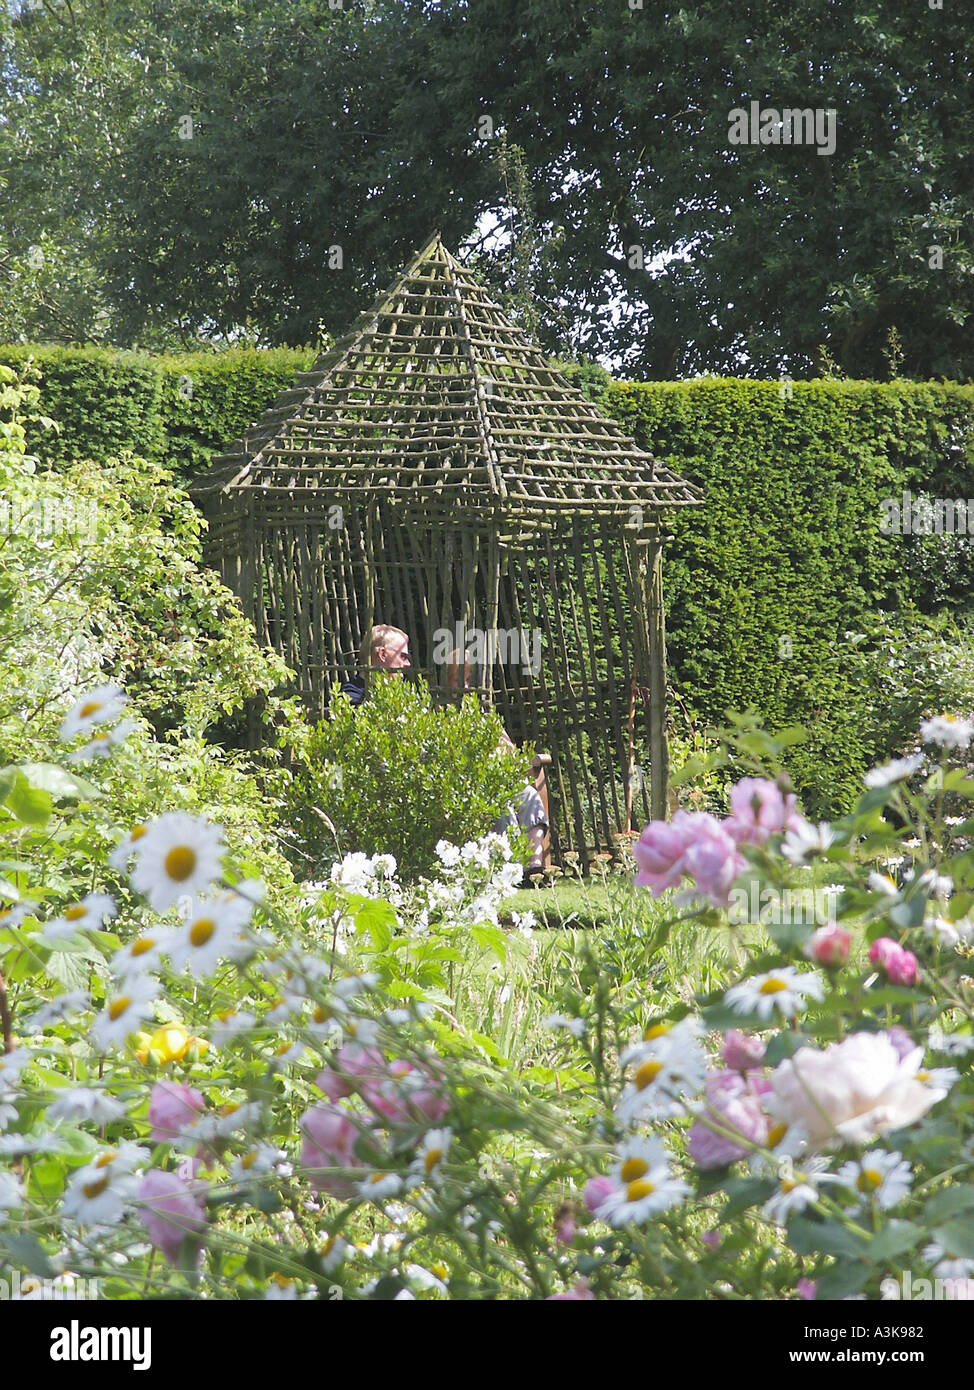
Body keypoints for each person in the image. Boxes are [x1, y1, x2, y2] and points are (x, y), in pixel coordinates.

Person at [445, 650, 550, 881]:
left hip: (499, 784)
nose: (463, 686)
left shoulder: (485, 717)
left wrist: (505, 752)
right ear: (447, 681)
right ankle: (510, 872)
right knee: (503, 809)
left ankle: (534, 868)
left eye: (467, 680)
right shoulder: (441, 715)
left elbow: (512, 757)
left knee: (530, 795)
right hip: (471, 790)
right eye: (458, 679)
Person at [340, 624, 411, 704]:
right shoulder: (350, 697)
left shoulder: (400, 695)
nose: (408, 663)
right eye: (403, 656)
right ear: (382, 654)